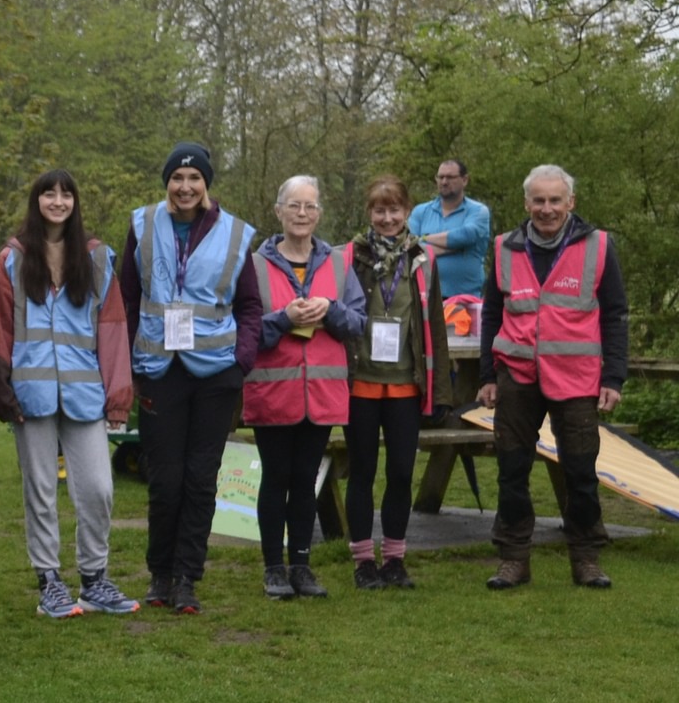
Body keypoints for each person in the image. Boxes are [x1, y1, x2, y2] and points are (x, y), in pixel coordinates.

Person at [0, 169, 139, 618]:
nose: (57, 201)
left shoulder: (96, 258)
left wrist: (118, 396)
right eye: (48, 194)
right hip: (30, 395)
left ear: (75, 202)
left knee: (97, 487)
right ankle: (49, 581)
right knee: (40, 489)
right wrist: (2, 389)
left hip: (85, 394)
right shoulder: (12, 258)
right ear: (36, 201)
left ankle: (94, 579)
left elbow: (112, 330)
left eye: (65, 194)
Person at [119, 141, 262, 615]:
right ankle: (159, 573)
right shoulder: (141, 225)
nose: (185, 187)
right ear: (167, 183)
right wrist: (127, 364)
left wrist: (241, 360)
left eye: (194, 179)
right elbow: (126, 301)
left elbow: (249, 307)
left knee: (202, 479)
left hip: (215, 373)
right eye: (177, 179)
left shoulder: (236, 233)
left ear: (206, 184)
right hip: (159, 370)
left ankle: (186, 578)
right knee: (165, 479)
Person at [477, 164, 628, 589]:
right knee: (511, 469)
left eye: (555, 200)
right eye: (538, 201)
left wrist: (613, 377)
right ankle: (513, 559)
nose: (547, 209)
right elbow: (491, 312)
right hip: (516, 375)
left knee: (580, 472)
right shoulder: (505, 246)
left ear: (570, 203)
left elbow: (615, 314)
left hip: (578, 377)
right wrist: (488, 374)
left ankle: (586, 557)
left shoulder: (599, 246)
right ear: (526, 204)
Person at [245, 176, 366, 600]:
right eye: (293, 206)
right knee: (276, 478)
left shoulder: (337, 263)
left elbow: (358, 323)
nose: (302, 214)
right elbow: (245, 332)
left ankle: (302, 566)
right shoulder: (255, 264)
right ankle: (273, 569)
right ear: (278, 211)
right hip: (273, 391)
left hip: (321, 392)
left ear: (319, 213)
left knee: (305, 480)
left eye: (309, 206)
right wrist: (283, 317)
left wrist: (329, 309)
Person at [344, 176, 452, 590]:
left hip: (407, 383)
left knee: (402, 473)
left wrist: (440, 389)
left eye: (394, 210)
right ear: (368, 213)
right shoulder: (351, 257)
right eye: (379, 210)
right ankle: (362, 561)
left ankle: (394, 559)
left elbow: (436, 328)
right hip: (361, 382)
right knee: (362, 472)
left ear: (408, 211)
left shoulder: (423, 259)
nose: (387, 218)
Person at [408, 158, 492, 302]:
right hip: (424, 297)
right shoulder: (420, 212)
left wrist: (424, 238)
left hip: (465, 299)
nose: (444, 182)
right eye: (440, 177)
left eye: (450, 177)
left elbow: (465, 236)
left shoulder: (478, 211)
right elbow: (409, 247)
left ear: (465, 180)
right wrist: (456, 248)